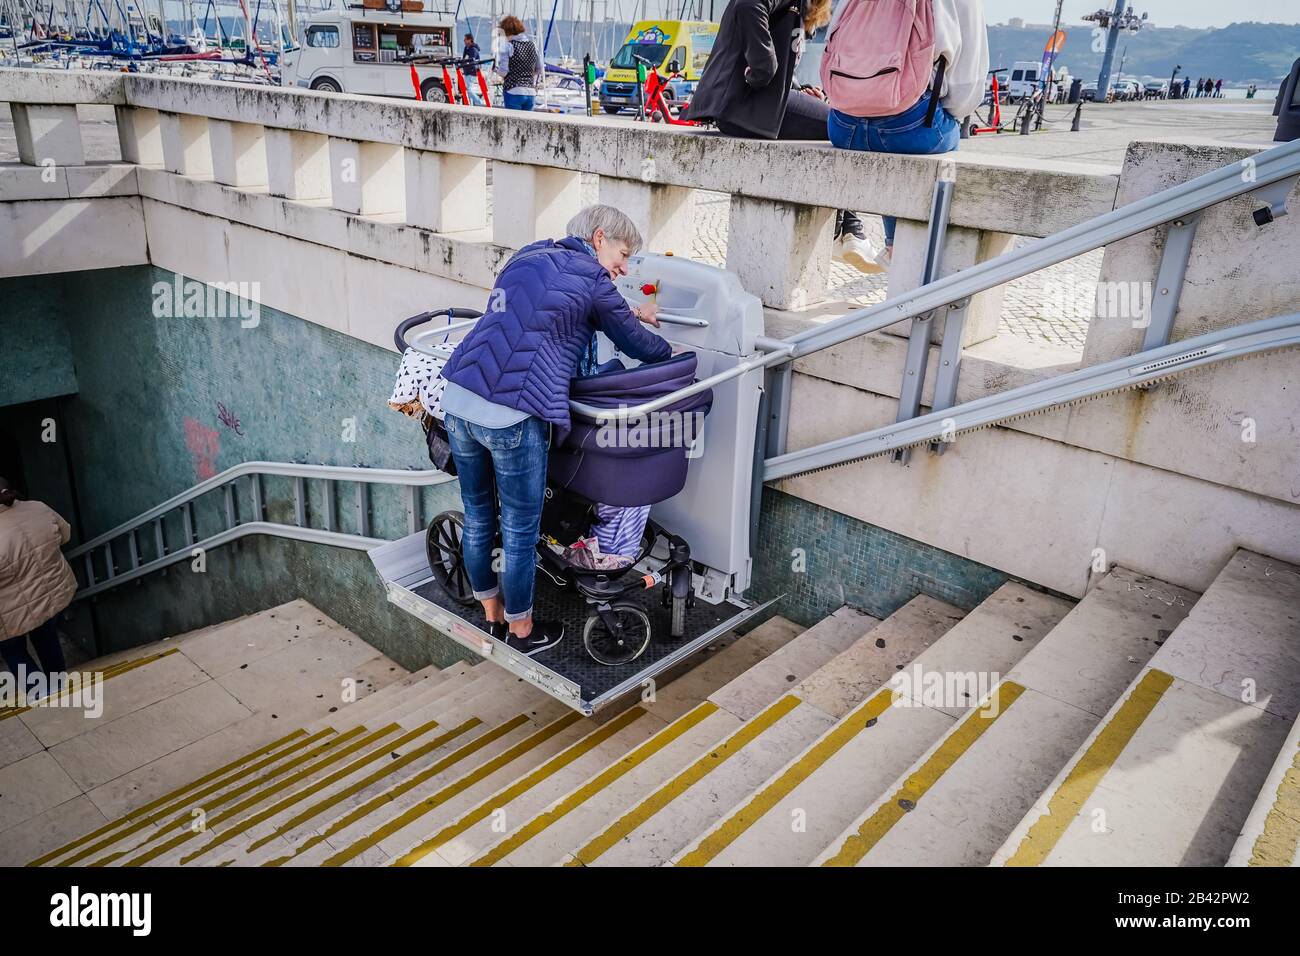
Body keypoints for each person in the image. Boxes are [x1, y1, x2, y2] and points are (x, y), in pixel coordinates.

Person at [437, 205, 672, 656]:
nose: (625, 267)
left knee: (479, 512)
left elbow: (540, 312)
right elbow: (634, 344)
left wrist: (630, 311)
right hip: (513, 413)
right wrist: (676, 360)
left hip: (460, 398)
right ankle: (522, 632)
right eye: (623, 254)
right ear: (600, 237)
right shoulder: (593, 279)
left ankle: (491, 615)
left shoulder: (529, 255)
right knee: (521, 530)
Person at [684, 0, 883, 273]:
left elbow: (779, 55)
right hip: (743, 104)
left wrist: (799, 89)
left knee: (837, 122)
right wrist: (764, 68)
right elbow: (748, 3)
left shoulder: (801, 7)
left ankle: (847, 227)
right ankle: (847, 230)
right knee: (845, 125)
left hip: (747, 106)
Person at [822, 0, 988, 264]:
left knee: (897, 132)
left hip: (843, 124)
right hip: (908, 126)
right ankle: (903, 248)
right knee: (942, 135)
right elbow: (966, 90)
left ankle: (861, 233)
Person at [0, 478, 75, 698]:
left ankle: (40, 695)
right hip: (47, 595)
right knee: (46, 637)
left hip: (8, 611)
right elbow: (65, 534)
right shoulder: (38, 507)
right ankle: (60, 687)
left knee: (13, 649)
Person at [494, 15, 542, 111]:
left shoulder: (508, 46)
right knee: (527, 125)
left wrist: (495, 69)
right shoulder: (533, 45)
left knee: (512, 125)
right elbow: (539, 69)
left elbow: (504, 72)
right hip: (530, 92)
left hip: (513, 91)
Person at [463, 32, 484, 105]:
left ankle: (480, 102)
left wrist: (464, 63)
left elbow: (471, 60)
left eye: (465, 39)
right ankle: (471, 106)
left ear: (470, 40)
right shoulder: (467, 48)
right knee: (469, 90)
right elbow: (465, 58)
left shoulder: (473, 50)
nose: (464, 41)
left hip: (472, 72)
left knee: (468, 90)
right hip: (467, 71)